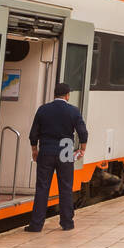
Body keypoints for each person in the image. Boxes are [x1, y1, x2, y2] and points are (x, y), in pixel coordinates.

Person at [26, 83, 89, 232]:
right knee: (66, 187)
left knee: (42, 188)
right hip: (66, 150)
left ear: (54, 95)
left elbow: (33, 134)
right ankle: (67, 223)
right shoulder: (73, 111)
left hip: (46, 150)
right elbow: (83, 133)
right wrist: (82, 150)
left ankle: (36, 225)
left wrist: (34, 150)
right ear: (67, 95)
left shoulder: (43, 110)